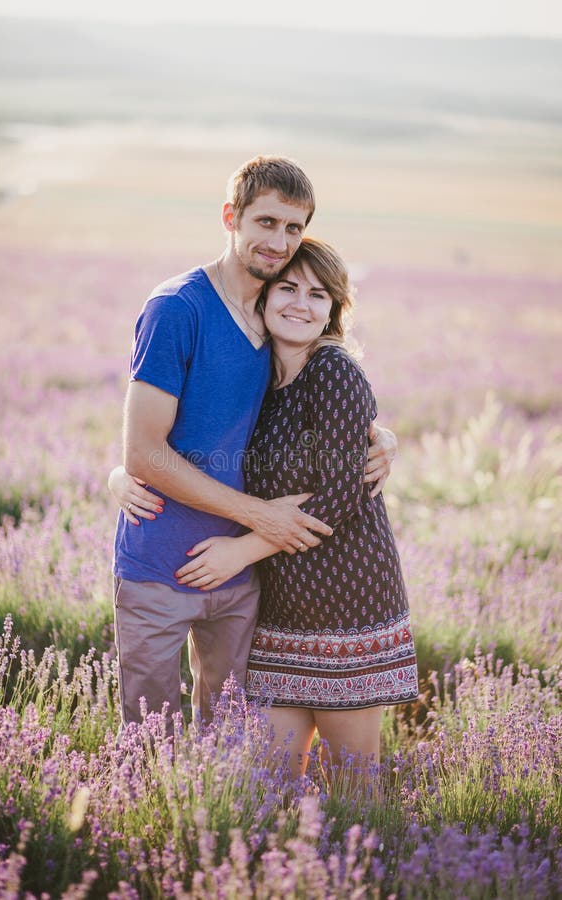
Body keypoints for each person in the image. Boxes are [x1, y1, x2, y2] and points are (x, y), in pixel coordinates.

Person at [111, 156, 397, 730]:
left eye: (294, 228)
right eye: (266, 222)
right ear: (231, 218)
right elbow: (143, 449)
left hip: (246, 583)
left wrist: (382, 436)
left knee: (229, 746)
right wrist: (259, 518)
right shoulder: (178, 309)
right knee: (149, 736)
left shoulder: (273, 317)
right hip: (161, 562)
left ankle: (220, 826)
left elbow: (311, 405)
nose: (279, 241)